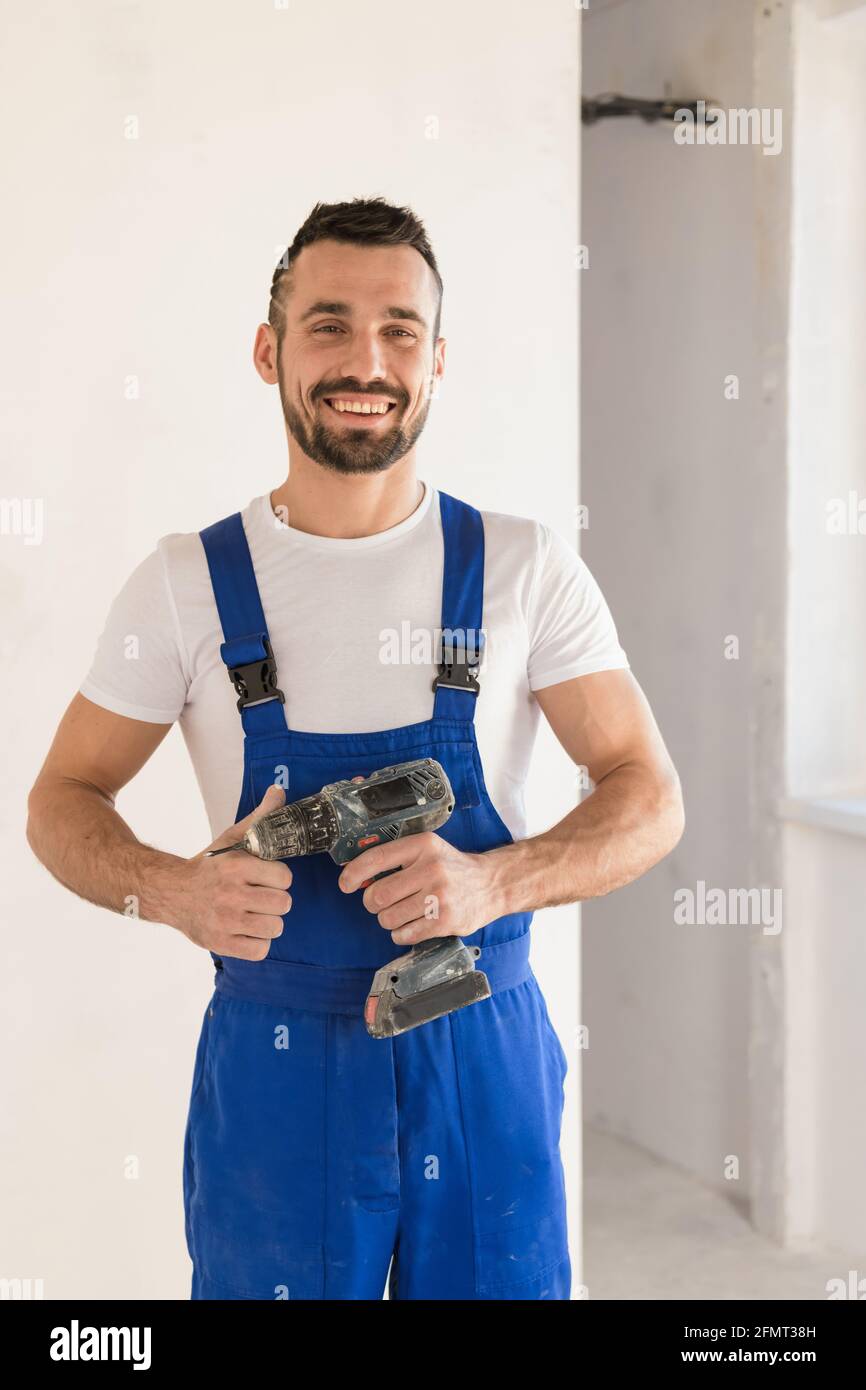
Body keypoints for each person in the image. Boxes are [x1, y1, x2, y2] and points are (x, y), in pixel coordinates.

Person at [26, 197, 684, 1301]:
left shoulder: (522, 568)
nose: (363, 359)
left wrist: (490, 879)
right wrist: (174, 891)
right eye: (327, 325)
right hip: (274, 1066)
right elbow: (60, 796)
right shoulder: (187, 584)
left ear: (436, 361)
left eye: (398, 330)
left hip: (477, 1053)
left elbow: (648, 796)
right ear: (268, 350)